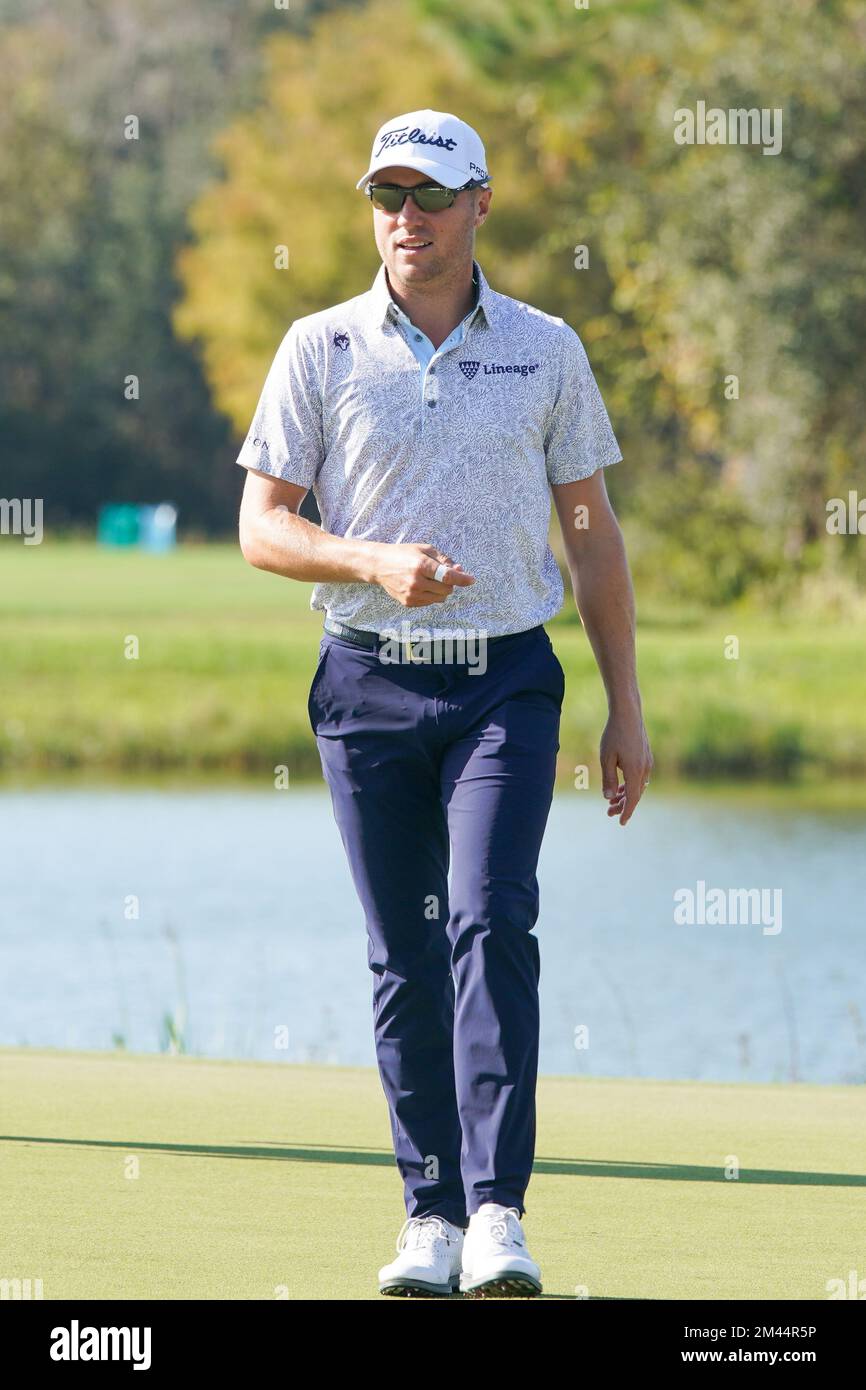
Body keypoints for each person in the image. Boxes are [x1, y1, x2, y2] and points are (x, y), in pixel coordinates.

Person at [237, 109, 653, 1298]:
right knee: (403, 953)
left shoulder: (544, 348)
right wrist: (368, 561)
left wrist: (625, 707)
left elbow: (591, 538)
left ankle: (495, 1211)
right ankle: (427, 1214)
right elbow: (262, 527)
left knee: (488, 917)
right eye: (387, 196)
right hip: (364, 683)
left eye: (428, 195)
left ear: (480, 203)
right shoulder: (318, 347)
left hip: (503, 684)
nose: (405, 218)